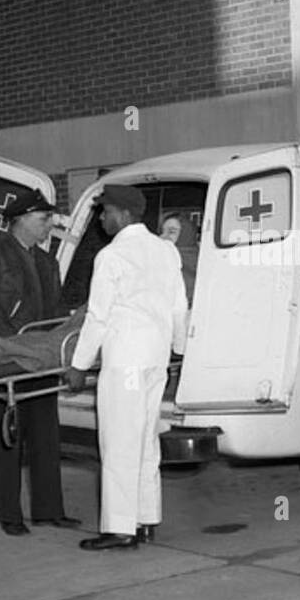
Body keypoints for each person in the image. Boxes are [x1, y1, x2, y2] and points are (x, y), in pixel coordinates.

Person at [65, 185, 188, 551]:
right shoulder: (165, 250)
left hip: (125, 365)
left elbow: (98, 317)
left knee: (119, 442)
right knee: (147, 440)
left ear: (123, 213)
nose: (102, 218)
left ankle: (120, 529)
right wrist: (179, 349)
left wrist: (78, 364)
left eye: (105, 212)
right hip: (155, 359)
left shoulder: (111, 256)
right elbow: (179, 306)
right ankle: (146, 518)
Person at [0, 187, 79, 537]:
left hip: (42, 360)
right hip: (10, 360)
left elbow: (55, 311)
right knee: (8, 439)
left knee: (47, 436)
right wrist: (15, 342)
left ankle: (49, 510)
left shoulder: (47, 262)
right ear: (22, 220)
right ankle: (10, 515)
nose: (50, 225)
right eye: (45, 219)